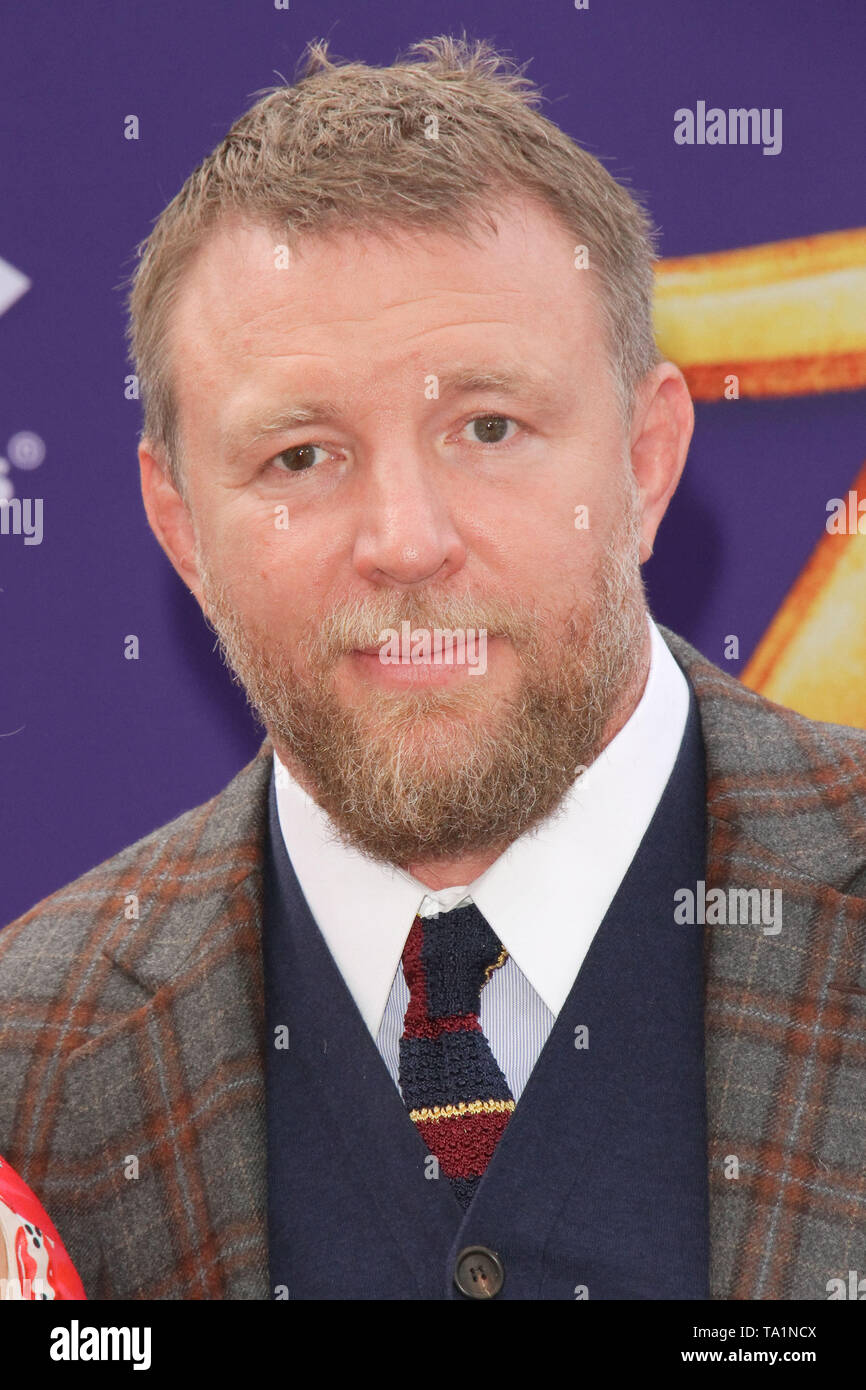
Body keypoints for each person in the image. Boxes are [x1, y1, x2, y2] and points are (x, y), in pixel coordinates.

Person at [1, 34, 864, 1302]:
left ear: (644, 462)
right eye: (300, 456)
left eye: (487, 427)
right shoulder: (27, 1055)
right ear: (181, 529)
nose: (404, 541)